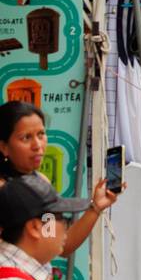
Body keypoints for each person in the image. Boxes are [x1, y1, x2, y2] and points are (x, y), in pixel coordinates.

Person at [0, 102, 118, 256]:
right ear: (4, 147)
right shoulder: (3, 189)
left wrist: (95, 207)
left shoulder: (40, 181)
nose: (37, 145)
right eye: (26, 138)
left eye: (41, 134)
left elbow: (61, 244)